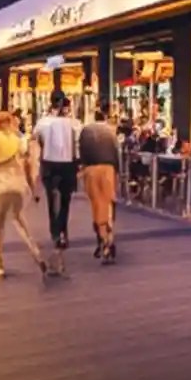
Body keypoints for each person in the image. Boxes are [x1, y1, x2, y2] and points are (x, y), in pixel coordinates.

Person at [0, 112, 49, 279]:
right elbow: (26, 158)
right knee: (19, 220)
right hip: (17, 186)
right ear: (9, 123)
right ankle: (35, 253)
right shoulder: (17, 140)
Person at [34, 92, 80, 257]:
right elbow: (78, 143)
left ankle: (55, 232)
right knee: (66, 200)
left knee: (52, 199)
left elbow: (36, 138)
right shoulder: (74, 123)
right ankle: (62, 230)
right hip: (68, 165)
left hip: (49, 164)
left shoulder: (43, 122)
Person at [79, 109, 121, 265]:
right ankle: (110, 237)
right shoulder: (110, 132)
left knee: (97, 205)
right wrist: (118, 172)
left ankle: (103, 241)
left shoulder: (86, 131)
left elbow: (81, 153)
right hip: (108, 169)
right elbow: (117, 153)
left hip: (91, 169)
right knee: (108, 203)